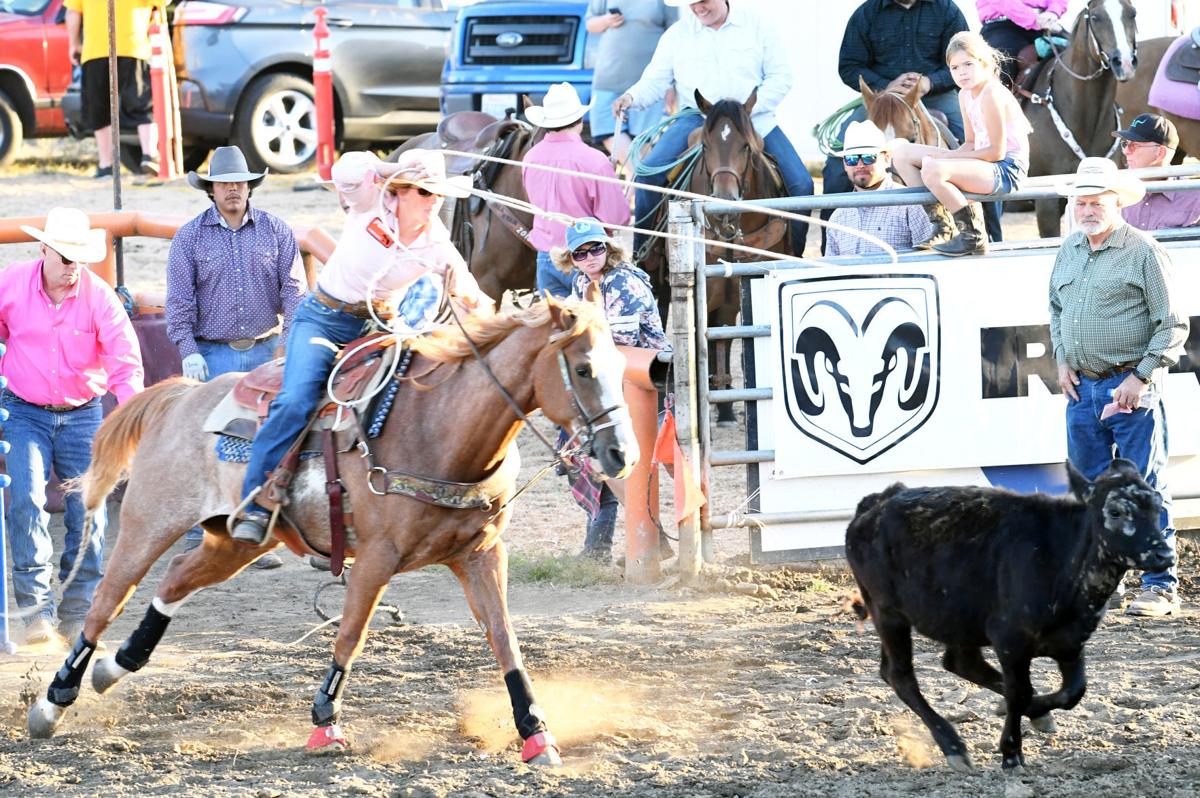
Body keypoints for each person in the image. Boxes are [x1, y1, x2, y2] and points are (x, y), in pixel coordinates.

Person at [230, 150, 490, 545]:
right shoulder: (369, 203)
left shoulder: (437, 245)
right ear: (398, 191)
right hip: (322, 318)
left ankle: (363, 510)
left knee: (404, 400)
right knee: (297, 399)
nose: (433, 201)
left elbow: (472, 298)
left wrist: (495, 320)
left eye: (438, 194)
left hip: (381, 327)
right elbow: (343, 169)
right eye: (423, 191)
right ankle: (255, 501)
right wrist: (389, 169)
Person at [1049, 157, 1189, 617]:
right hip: (1082, 389)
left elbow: (1172, 325)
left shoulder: (1145, 251)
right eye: (1082, 201)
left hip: (1130, 387)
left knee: (1143, 486)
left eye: (1096, 202)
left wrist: (1140, 375)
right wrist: (1062, 356)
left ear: (1117, 203)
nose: (1088, 209)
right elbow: (1056, 307)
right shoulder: (1069, 249)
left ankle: (1160, 585)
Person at [0, 208, 144, 647]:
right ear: (44, 250)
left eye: (79, 259)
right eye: (65, 258)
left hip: (83, 413)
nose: (72, 268)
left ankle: (78, 610)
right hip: (23, 407)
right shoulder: (10, 283)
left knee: (90, 511)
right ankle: (37, 611)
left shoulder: (99, 297)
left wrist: (130, 420)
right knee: (24, 501)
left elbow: (125, 363)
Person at [166, 145, 306, 567]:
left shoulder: (276, 231)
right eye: (225, 183)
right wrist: (189, 351)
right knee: (212, 442)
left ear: (249, 186)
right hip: (214, 350)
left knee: (267, 437)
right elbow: (179, 304)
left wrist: (287, 341)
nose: (233, 189)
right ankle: (202, 532)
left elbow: (294, 294)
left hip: (266, 345)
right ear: (211, 190)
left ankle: (256, 528)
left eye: (239, 182)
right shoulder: (189, 237)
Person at [612, 0, 813, 256]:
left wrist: (747, 108)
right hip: (697, 118)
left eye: (703, 1)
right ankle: (644, 257)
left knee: (801, 185)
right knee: (649, 174)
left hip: (752, 118)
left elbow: (781, 76)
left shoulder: (758, 26)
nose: (698, 8)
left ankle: (793, 260)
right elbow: (655, 80)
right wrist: (630, 97)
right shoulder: (677, 34)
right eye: (691, 4)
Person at [550, 218, 670, 562]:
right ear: (571, 259)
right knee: (594, 453)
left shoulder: (624, 284)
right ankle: (614, 541)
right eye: (580, 253)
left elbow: (622, 343)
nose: (589, 257)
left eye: (595, 248)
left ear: (608, 249)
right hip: (614, 380)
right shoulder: (581, 282)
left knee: (603, 454)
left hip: (648, 380)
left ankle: (644, 535)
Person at [891, 31, 1030, 257]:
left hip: (1006, 168)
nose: (962, 72)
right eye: (954, 68)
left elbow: (997, 152)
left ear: (984, 63)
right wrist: (951, 157)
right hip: (984, 163)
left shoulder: (992, 93)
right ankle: (942, 223)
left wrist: (946, 160)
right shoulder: (965, 94)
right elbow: (970, 143)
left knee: (934, 168)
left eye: (968, 64)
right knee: (902, 154)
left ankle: (972, 235)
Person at [826, 0, 969, 201]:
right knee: (840, 156)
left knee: (975, 150)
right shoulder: (866, 13)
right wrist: (885, 85)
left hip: (935, 95)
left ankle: (988, 228)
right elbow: (849, 66)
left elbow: (964, 59)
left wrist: (929, 82)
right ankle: (830, 224)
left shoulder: (946, 9)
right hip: (881, 100)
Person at [522, 82, 631, 298]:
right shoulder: (594, 160)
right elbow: (616, 218)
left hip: (546, 257)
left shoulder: (530, 158)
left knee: (556, 327)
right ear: (580, 121)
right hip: (587, 258)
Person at [64, 0, 163, 177]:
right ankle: (149, 155)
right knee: (141, 103)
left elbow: (73, 13)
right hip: (133, 47)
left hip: (95, 50)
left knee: (99, 109)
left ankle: (106, 165)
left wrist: (73, 44)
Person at [585, 1, 677, 166]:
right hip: (607, 77)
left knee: (644, 139)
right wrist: (606, 20)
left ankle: (634, 182)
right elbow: (590, 24)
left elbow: (675, 34)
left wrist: (671, 84)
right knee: (605, 130)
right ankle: (635, 177)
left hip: (649, 84)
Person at [825, 121, 935, 257]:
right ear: (845, 164)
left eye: (868, 157)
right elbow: (833, 271)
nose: (860, 165)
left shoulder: (911, 206)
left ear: (887, 159)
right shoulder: (838, 217)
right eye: (852, 159)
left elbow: (929, 258)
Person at [1114, 114, 1200, 232]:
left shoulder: (1195, 199)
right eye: (1125, 144)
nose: (1126, 151)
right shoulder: (1115, 191)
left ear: (1161, 153)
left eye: (1134, 145)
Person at [977, 1, 1065, 88]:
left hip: (1044, 23)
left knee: (1072, 54)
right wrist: (1035, 20)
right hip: (1002, 25)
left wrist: (1053, 12)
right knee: (1003, 66)